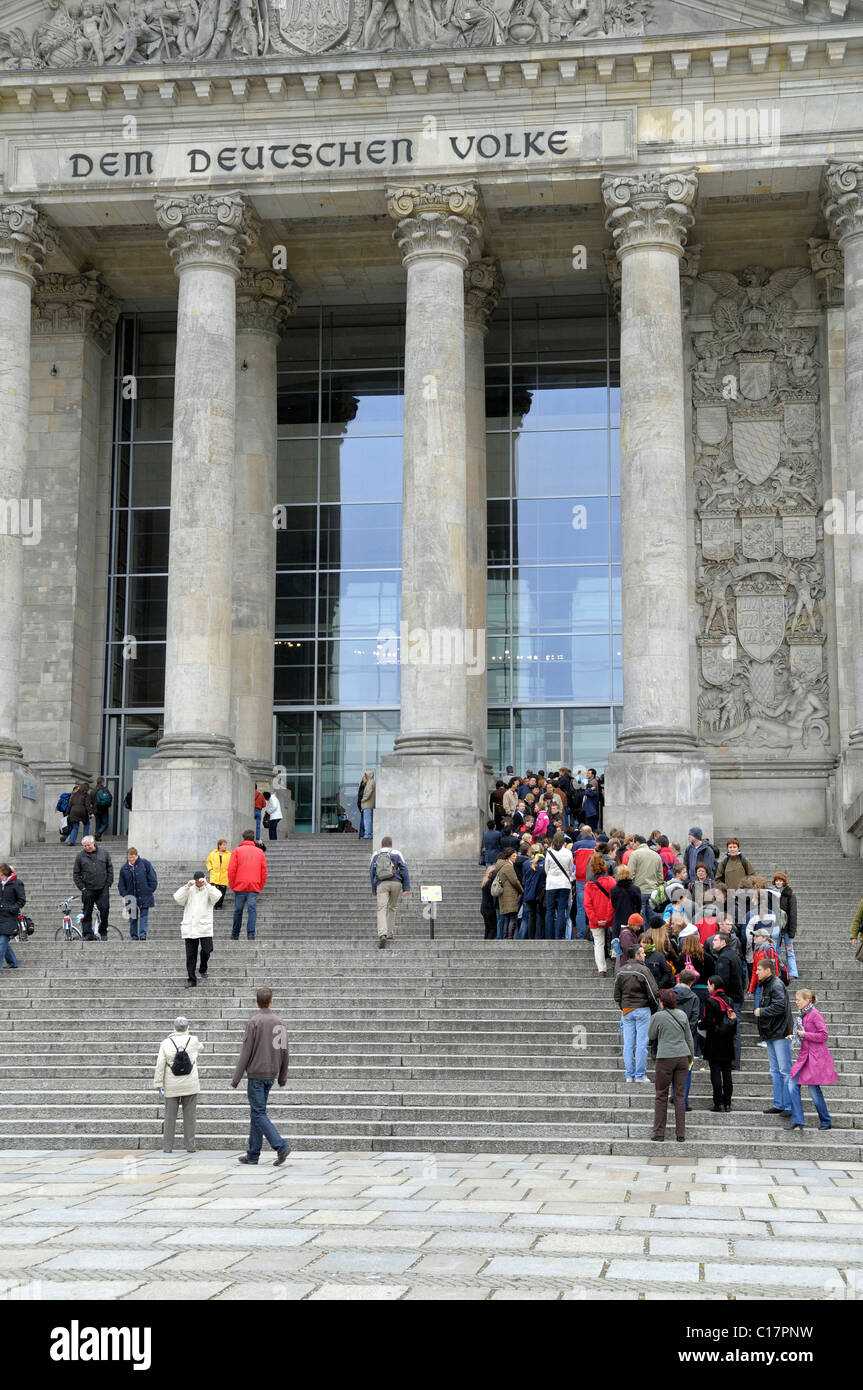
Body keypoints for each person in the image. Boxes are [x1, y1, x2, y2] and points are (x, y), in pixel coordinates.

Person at [231, 987, 291, 1166]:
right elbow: (284, 1051)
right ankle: (253, 1154)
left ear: (257, 1002)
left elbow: (246, 1052)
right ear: (271, 1001)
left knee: (258, 1112)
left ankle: (280, 1145)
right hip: (271, 1073)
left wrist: (236, 1078)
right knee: (256, 1113)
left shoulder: (254, 1022)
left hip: (256, 1074)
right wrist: (282, 1076)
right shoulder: (279, 1022)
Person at [787, 988, 837, 1131]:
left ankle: (826, 1121)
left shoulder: (815, 1014)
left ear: (807, 1000)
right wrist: (793, 1037)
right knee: (792, 1084)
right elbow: (802, 1035)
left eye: (798, 999)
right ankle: (797, 1119)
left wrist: (805, 1034)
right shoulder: (802, 1015)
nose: (796, 1002)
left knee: (814, 1090)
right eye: (796, 999)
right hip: (804, 1057)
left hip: (815, 1058)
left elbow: (823, 1035)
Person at [648, 988, 694, 1141]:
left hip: (665, 1058)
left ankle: (659, 1133)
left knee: (661, 1094)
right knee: (679, 1096)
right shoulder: (682, 1015)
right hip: (682, 1057)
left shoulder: (657, 1016)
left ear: (662, 1002)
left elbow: (651, 1035)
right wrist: (690, 1057)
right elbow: (689, 1038)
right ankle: (680, 1134)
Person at [153, 1014, 202, 1153]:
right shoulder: (194, 1040)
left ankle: (168, 1146)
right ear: (187, 1027)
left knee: (169, 1117)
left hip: (172, 1084)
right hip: (190, 1084)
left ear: (173, 1028)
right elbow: (201, 1047)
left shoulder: (165, 1043)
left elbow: (160, 1064)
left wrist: (158, 1082)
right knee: (190, 1117)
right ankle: (190, 1145)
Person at [613, 943, 660, 1082]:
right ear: (637, 955)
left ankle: (629, 1074)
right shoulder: (643, 970)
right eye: (643, 952)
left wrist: (623, 1005)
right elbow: (653, 991)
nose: (645, 954)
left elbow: (616, 994)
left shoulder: (621, 971)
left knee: (628, 1044)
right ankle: (640, 1075)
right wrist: (653, 1006)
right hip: (642, 1009)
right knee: (641, 1044)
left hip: (627, 1010)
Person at [754, 957, 794, 1117]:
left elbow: (779, 1005)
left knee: (784, 1071)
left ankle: (789, 1105)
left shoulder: (776, 984)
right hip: (771, 1033)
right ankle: (779, 1103)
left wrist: (762, 1012)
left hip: (780, 1032)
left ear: (768, 970)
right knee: (775, 1071)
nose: (756, 972)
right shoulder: (767, 984)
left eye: (759, 969)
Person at [174, 870, 220, 987]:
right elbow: (177, 898)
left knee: (207, 949)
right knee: (190, 955)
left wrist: (207, 884)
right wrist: (186, 886)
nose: (199, 883)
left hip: (204, 926)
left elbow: (218, 896)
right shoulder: (189, 890)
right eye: (197, 881)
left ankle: (203, 967)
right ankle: (191, 979)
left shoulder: (208, 889)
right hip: (190, 926)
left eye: (200, 880)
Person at [711, 933, 747, 1072]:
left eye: (715, 939)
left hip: (730, 1000)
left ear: (723, 942)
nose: (712, 942)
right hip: (736, 997)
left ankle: (732, 1062)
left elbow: (722, 981)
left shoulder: (724, 957)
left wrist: (719, 998)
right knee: (734, 1030)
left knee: (732, 1030)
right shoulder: (733, 955)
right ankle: (733, 1061)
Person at [703, 976, 737, 1112]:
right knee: (727, 1073)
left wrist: (701, 1023)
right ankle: (728, 1103)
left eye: (708, 985)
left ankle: (718, 1103)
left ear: (713, 986)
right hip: (728, 1041)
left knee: (715, 1072)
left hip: (714, 1042)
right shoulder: (729, 1000)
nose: (707, 987)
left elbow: (709, 1023)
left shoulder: (710, 1001)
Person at [370, 835, 410, 948]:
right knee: (392, 907)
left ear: (381, 844)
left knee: (381, 908)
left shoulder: (376, 854)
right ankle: (389, 933)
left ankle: (382, 933)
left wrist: (374, 888)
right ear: (391, 844)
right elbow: (404, 869)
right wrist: (406, 887)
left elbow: (371, 872)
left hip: (382, 883)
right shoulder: (397, 853)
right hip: (396, 883)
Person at [228, 830, 268, 940]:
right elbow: (264, 871)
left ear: (243, 838)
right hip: (254, 886)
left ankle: (235, 934)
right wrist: (260, 886)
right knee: (252, 910)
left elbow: (231, 870)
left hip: (240, 886)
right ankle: (251, 934)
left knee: (238, 911)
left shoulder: (237, 851)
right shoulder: (260, 852)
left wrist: (232, 885)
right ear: (253, 838)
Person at [72, 835, 114, 940]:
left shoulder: (104, 853)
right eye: (85, 846)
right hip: (88, 888)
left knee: (105, 909)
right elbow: (76, 874)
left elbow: (110, 868)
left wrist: (108, 883)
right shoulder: (80, 856)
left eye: (88, 845)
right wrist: (82, 888)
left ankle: (103, 931)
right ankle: (88, 933)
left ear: (93, 843)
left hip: (102, 888)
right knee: (87, 912)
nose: (87, 847)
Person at [583, 849, 615, 975]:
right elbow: (612, 902)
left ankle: (602, 968)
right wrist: (607, 917)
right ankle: (614, 955)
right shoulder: (611, 882)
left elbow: (587, 905)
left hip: (595, 920)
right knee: (615, 936)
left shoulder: (589, 885)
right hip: (610, 917)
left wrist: (594, 919)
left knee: (598, 943)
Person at [117, 846, 157, 941]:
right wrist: (124, 894)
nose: (131, 860)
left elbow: (153, 878)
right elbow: (121, 884)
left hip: (144, 894)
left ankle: (143, 934)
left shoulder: (145, 864)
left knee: (144, 915)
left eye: (133, 857)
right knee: (133, 917)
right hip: (130, 896)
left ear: (137, 856)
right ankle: (134, 935)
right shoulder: (124, 868)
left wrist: (149, 889)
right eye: (129, 858)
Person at [714, 837, 754, 932]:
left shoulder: (745, 861)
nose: (732, 849)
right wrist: (725, 890)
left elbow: (752, 876)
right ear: (727, 848)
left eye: (734, 847)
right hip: (729, 898)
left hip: (744, 897)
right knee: (732, 921)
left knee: (743, 921)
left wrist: (745, 888)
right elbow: (718, 879)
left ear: (738, 848)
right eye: (730, 847)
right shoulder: (724, 863)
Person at [543, 831, 573, 942]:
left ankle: (549, 936)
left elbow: (546, 869)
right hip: (564, 883)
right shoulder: (568, 853)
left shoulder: (549, 852)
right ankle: (558, 936)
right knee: (561, 910)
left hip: (551, 884)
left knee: (550, 910)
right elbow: (570, 870)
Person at [627, 836, 664, 924]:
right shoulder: (656, 855)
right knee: (653, 921)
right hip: (653, 892)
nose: (632, 845)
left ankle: (642, 937)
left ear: (637, 843)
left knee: (639, 921)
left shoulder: (634, 854)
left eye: (633, 842)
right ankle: (654, 937)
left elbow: (630, 874)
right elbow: (660, 877)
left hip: (639, 891)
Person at [570, 824, 597, 940]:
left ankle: (581, 935)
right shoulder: (596, 845)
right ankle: (594, 934)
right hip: (594, 880)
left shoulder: (576, 845)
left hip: (580, 880)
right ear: (591, 834)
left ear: (581, 834)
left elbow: (573, 862)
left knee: (581, 908)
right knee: (594, 907)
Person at [771, 870, 799, 980]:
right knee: (775, 950)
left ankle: (793, 972)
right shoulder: (772, 894)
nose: (778, 883)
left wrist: (792, 930)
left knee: (789, 950)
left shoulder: (790, 895)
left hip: (786, 928)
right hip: (776, 927)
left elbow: (793, 914)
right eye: (777, 880)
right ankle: (776, 971)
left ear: (784, 882)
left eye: (780, 881)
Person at [492, 847, 522, 940]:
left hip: (504, 895)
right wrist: (521, 890)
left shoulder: (501, 866)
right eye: (514, 856)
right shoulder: (508, 866)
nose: (515, 858)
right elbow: (514, 881)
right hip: (510, 895)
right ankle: (509, 937)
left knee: (506, 918)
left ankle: (505, 937)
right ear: (509, 857)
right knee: (512, 917)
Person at [0, 864, 25, 972]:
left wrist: (12, 909)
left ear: (6, 874)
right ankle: (12, 962)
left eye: (1, 874)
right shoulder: (1, 883)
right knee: (2, 941)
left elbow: (22, 900)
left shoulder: (17, 883)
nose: (0, 876)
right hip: (0, 915)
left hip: (9, 917)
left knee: (2, 941)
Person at [520, 843, 546, 939]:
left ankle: (531, 937)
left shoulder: (526, 863)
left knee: (531, 916)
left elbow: (524, 879)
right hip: (541, 893)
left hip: (529, 893)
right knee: (542, 916)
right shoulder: (545, 862)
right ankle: (541, 937)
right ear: (542, 851)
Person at [611, 863, 642, 943]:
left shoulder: (614, 890)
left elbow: (613, 905)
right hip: (633, 920)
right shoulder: (636, 889)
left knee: (618, 944)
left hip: (619, 919)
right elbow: (639, 905)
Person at [206, 838, 231, 909]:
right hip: (214, 875)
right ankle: (214, 904)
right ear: (219, 845)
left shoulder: (229, 854)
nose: (225, 846)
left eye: (226, 845)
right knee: (213, 892)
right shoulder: (213, 853)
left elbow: (232, 864)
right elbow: (208, 862)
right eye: (223, 845)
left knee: (222, 893)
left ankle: (219, 905)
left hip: (224, 876)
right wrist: (210, 869)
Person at [480, 863, 498, 940]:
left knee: (488, 928)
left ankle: (485, 942)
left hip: (484, 908)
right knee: (493, 928)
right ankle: (488, 943)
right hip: (489, 908)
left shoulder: (485, 881)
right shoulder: (490, 883)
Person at [359, 770, 376, 841]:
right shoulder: (372, 782)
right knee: (369, 820)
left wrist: (363, 800)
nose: (365, 776)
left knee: (367, 820)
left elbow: (368, 793)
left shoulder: (370, 782)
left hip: (367, 804)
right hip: (369, 804)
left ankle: (367, 834)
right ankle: (369, 833)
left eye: (366, 775)